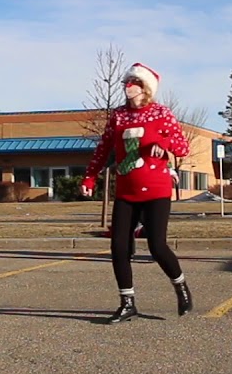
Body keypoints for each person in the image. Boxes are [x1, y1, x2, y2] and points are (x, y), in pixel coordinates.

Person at [81, 63, 192, 324]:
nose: (128, 86)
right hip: (126, 191)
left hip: (157, 189)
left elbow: (182, 147)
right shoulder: (118, 116)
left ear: (146, 88)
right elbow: (103, 149)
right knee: (119, 246)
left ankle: (181, 286)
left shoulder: (161, 113)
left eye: (134, 82)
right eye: (127, 82)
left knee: (157, 245)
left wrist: (163, 144)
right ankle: (127, 302)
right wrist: (89, 176)